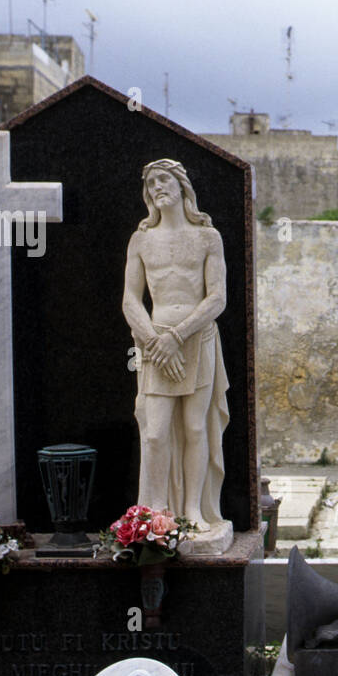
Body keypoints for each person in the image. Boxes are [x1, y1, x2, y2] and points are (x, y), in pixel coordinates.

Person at [122, 159, 230, 538]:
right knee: (154, 432)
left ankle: (191, 511)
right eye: (150, 182)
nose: (156, 187)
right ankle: (154, 513)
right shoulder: (142, 240)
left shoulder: (206, 237)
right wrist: (154, 340)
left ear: (182, 185)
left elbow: (217, 298)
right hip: (155, 345)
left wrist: (177, 336)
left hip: (196, 339)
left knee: (195, 427)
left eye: (163, 179)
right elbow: (130, 301)